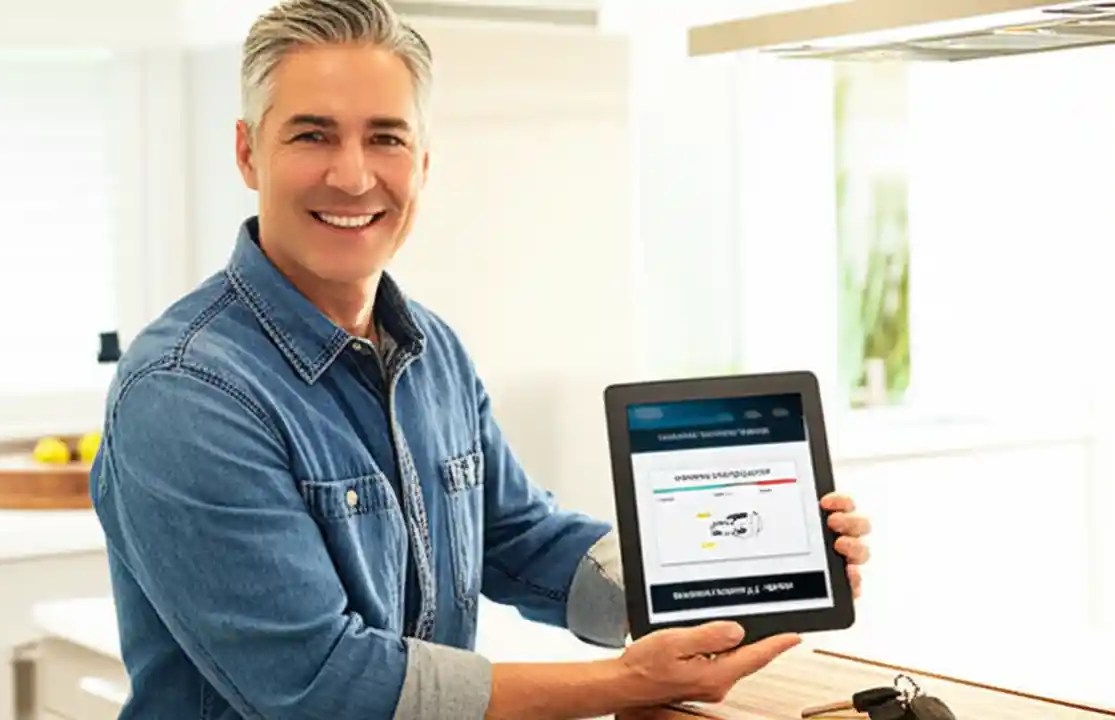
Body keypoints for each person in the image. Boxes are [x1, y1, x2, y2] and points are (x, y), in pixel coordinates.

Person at [88, 0, 873, 718]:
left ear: (423, 163)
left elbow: (524, 541)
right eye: (312, 134)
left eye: (386, 138)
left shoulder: (430, 351)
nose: (354, 174)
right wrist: (631, 683)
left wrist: (743, 576)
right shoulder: (186, 391)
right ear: (248, 151)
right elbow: (323, 687)